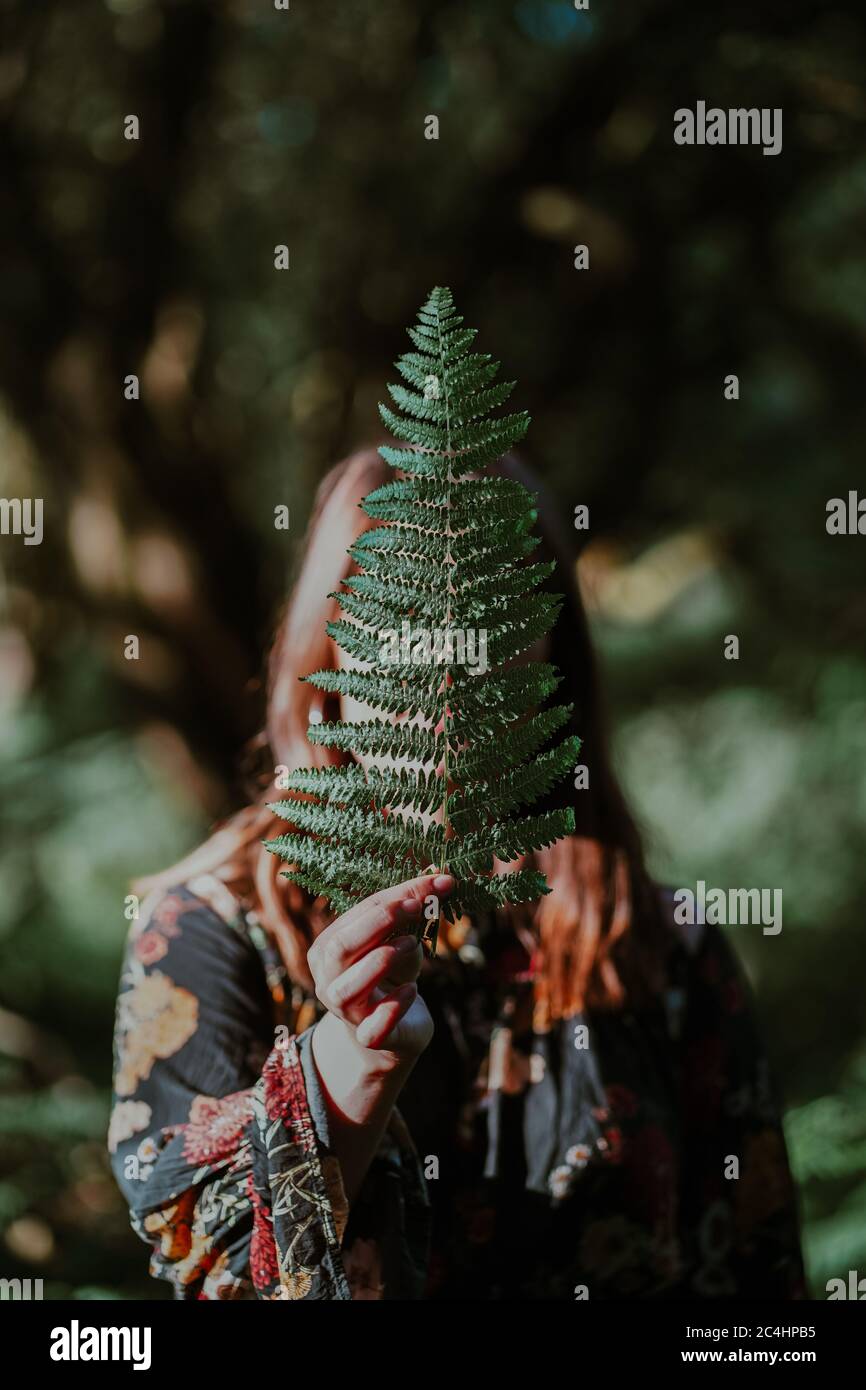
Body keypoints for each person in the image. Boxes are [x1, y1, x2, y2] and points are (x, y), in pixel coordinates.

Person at [108, 448, 806, 1300]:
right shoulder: (212, 930)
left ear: (553, 665)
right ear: (327, 650)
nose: (446, 666)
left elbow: (763, 1293)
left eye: (492, 616)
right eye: (402, 617)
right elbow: (212, 1267)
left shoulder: (657, 943)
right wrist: (348, 1066)